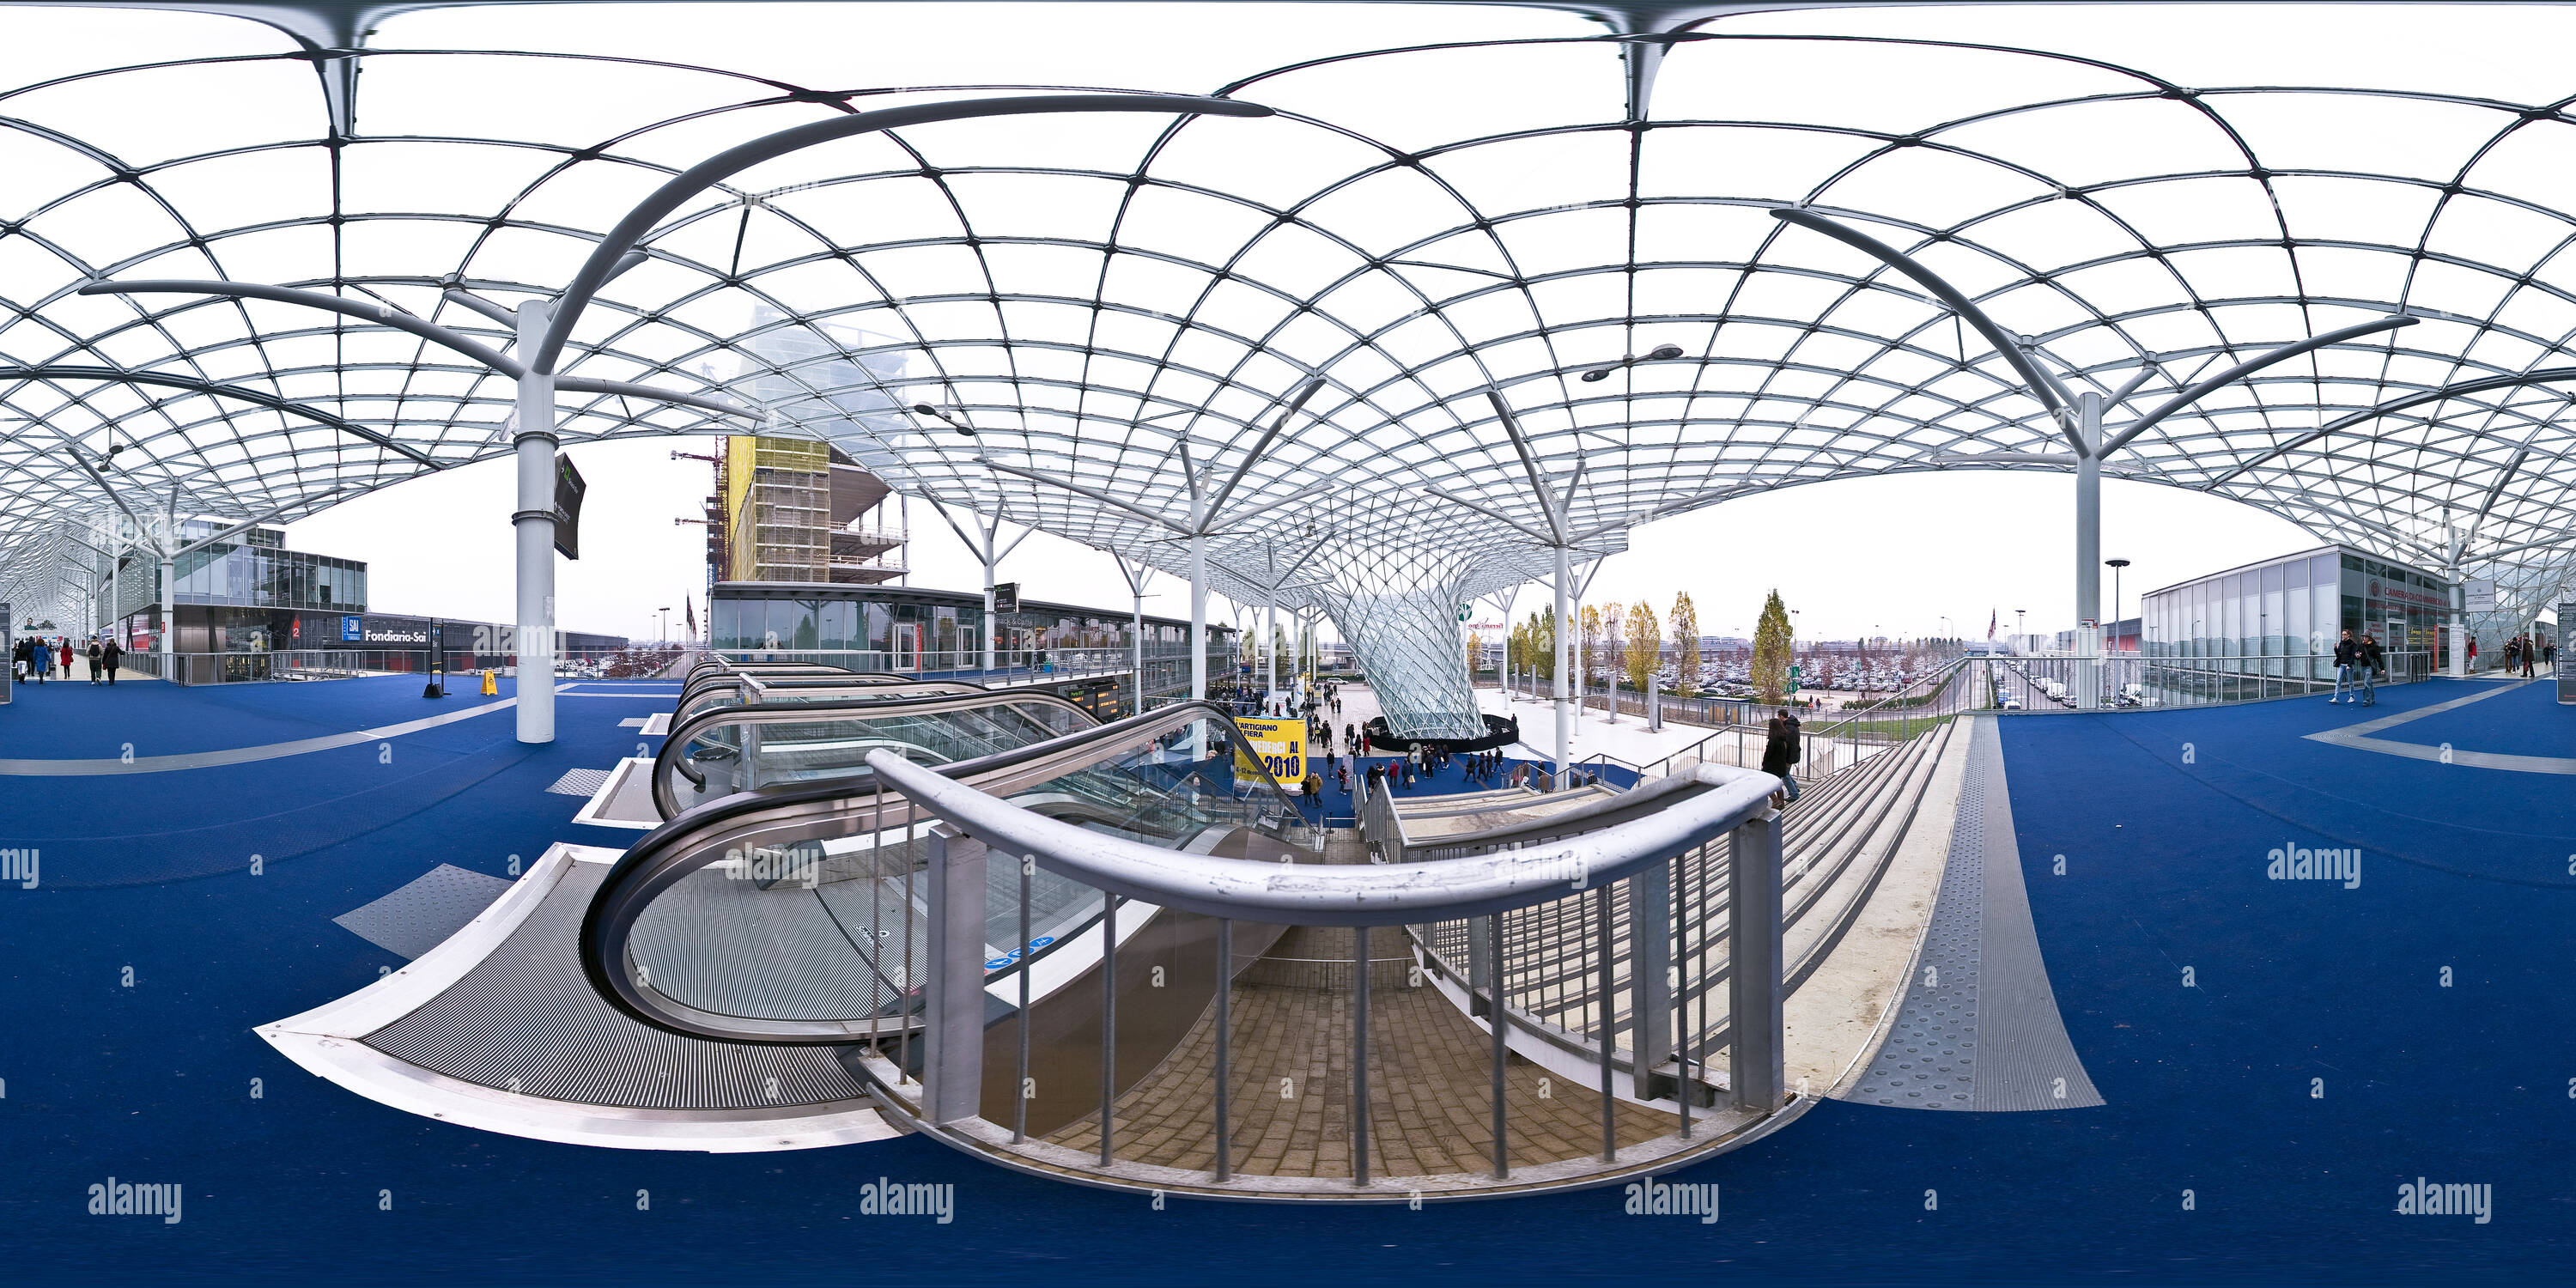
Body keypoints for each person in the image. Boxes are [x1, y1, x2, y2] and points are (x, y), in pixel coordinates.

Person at [1759, 709, 1799, 809]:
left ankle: (1776, 800)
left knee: (1765, 784)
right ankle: (1781, 803)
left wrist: (1764, 763)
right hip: (1780, 765)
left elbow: (1768, 754)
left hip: (1771, 766)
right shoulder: (1784, 737)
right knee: (1778, 784)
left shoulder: (1774, 740)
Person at [2330, 629, 2360, 703]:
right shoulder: (2342, 643)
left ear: (2348, 635)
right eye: (2342, 634)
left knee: (2350, 682)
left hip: (2348, 666)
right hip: (2341, 665)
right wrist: (2335, 649)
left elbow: (2353, 656)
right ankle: (2336, 697)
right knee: (2338, 681)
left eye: (2345, 634)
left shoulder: (2352, 644)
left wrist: (2349, 665)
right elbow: (2339, 655)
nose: (2343, 636)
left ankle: (2352, 697)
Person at [2357, 632, 2383, 707]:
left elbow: (2379, 658)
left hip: (2370, 667)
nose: (2364, 638)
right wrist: (2357, 656)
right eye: (2363, 637)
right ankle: (2372, 698)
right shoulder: (2361, 646)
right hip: (2363, 666)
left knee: (2366, 683)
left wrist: (2382, 668)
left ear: (2370, 638)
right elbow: (2357, 654)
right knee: (2369, 683)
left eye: (2366, 637)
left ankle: (2366, 700)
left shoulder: (2374, 646)